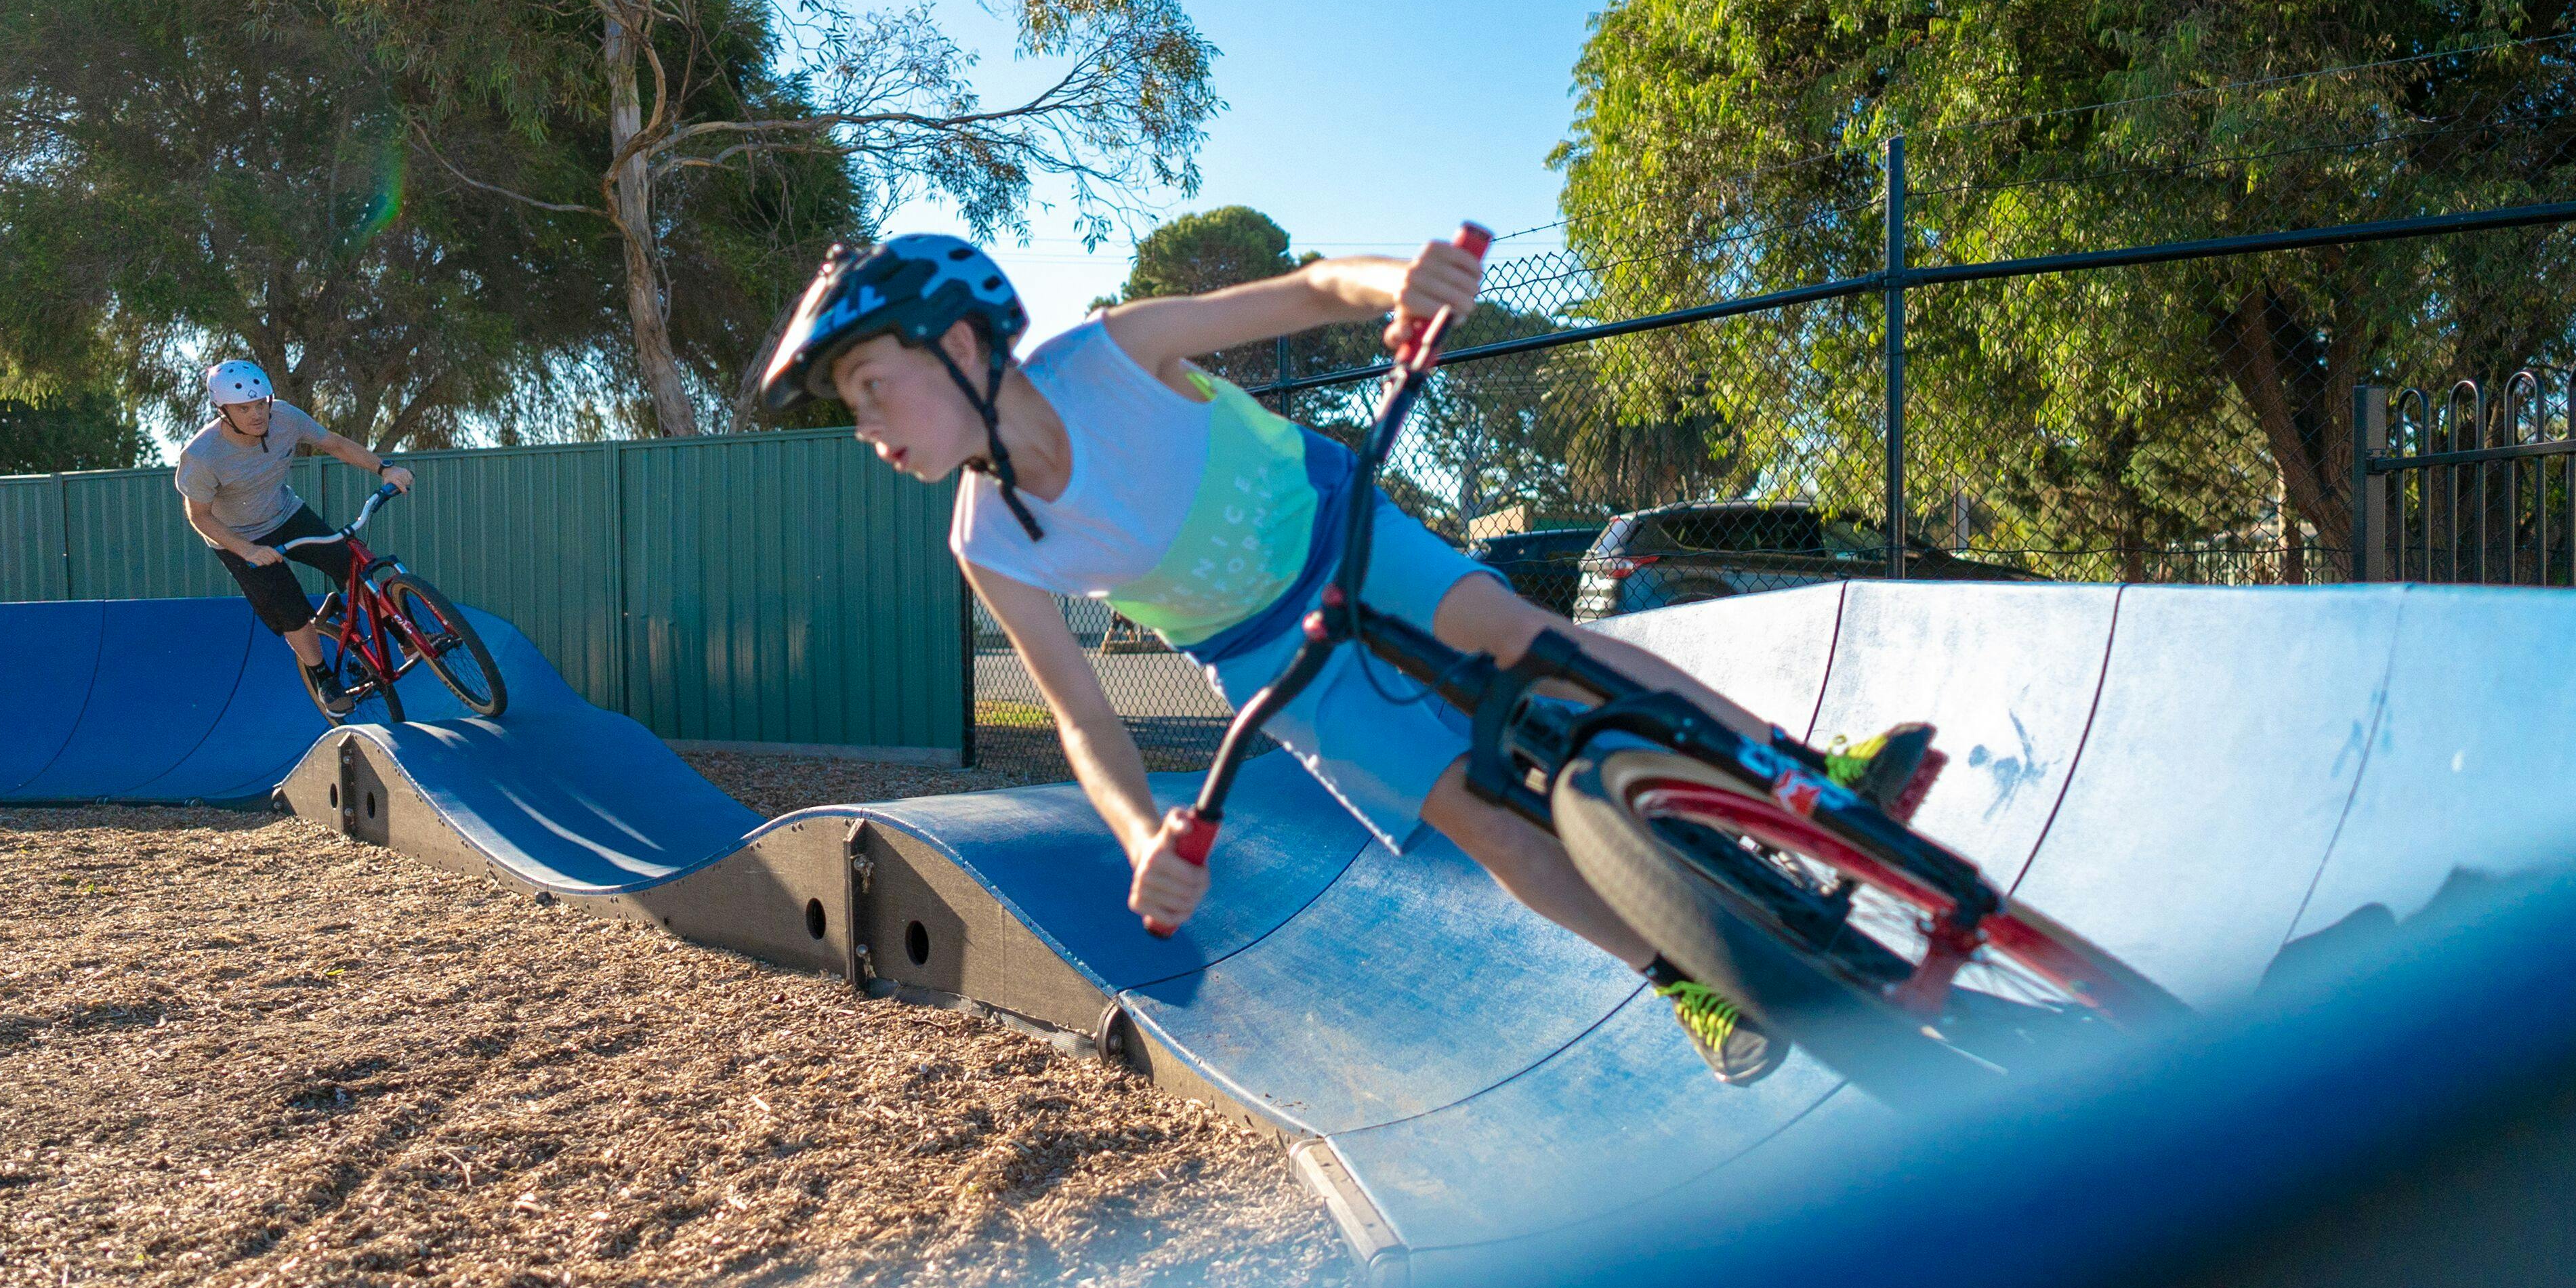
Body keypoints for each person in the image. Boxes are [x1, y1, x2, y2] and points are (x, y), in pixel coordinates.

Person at [754, 235, 1933, 1085]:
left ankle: (1809, 774)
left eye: (870, 388)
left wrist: (1401, 286)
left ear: (963, 345)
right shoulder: (987, 541)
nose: (868, 432)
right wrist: (1138, 834)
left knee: (1534, 640)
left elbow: (1313, 286)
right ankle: (1676, 973)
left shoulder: (1112, 355)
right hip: (1270, 651)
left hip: (1342, 530)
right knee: (1482, 819)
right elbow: (1077, 718)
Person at [174, 359, 413, 719]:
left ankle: (403, 632)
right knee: (289, 608)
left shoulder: (284, 417)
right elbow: (199, 516)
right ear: (222, 411)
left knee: (353, 567)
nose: (257, 414)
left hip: (286, 515)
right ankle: (323, 676)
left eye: (261, 403)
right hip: (236, 538)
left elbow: (333, 443)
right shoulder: (202, 455)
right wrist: (248, 550)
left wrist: (384, 468)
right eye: (244, 408)